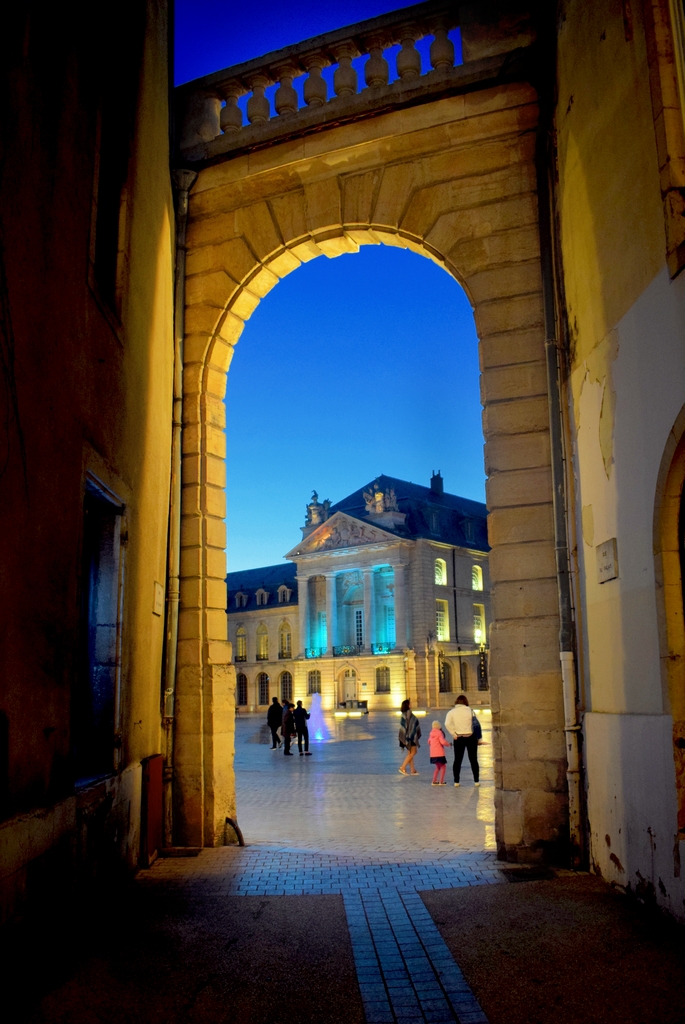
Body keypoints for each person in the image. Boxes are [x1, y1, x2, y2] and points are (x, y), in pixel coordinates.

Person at [445, 694, 480, 786]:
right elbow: (475, 725)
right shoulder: (470, 711)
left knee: (457, 760)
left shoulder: (451, 712)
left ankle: (456, 781)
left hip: (458, 738)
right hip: (470, 737)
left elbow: (447, 724)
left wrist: (453, 733)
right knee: (473, 760)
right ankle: (476, 781)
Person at [398, 698, 421, 775]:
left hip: (406, 736)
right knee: (414, 752)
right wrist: (411, 734)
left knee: (410, 753)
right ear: (407, 705)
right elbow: (410, 725)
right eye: (410, 703)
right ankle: (402, 767)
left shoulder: (403, 714)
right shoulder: (408, 714)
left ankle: (412, 770)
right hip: (410, 737)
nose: (411, 704)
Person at [428, 720, 451, 786]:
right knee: (443, 766)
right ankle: (441, 781)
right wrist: (448, 744)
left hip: (433, 754)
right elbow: (442, 742)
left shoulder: (431, 733)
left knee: (438, 767)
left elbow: (428, 742)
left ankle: (434, 780)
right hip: (439, 753)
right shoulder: (439, 733)